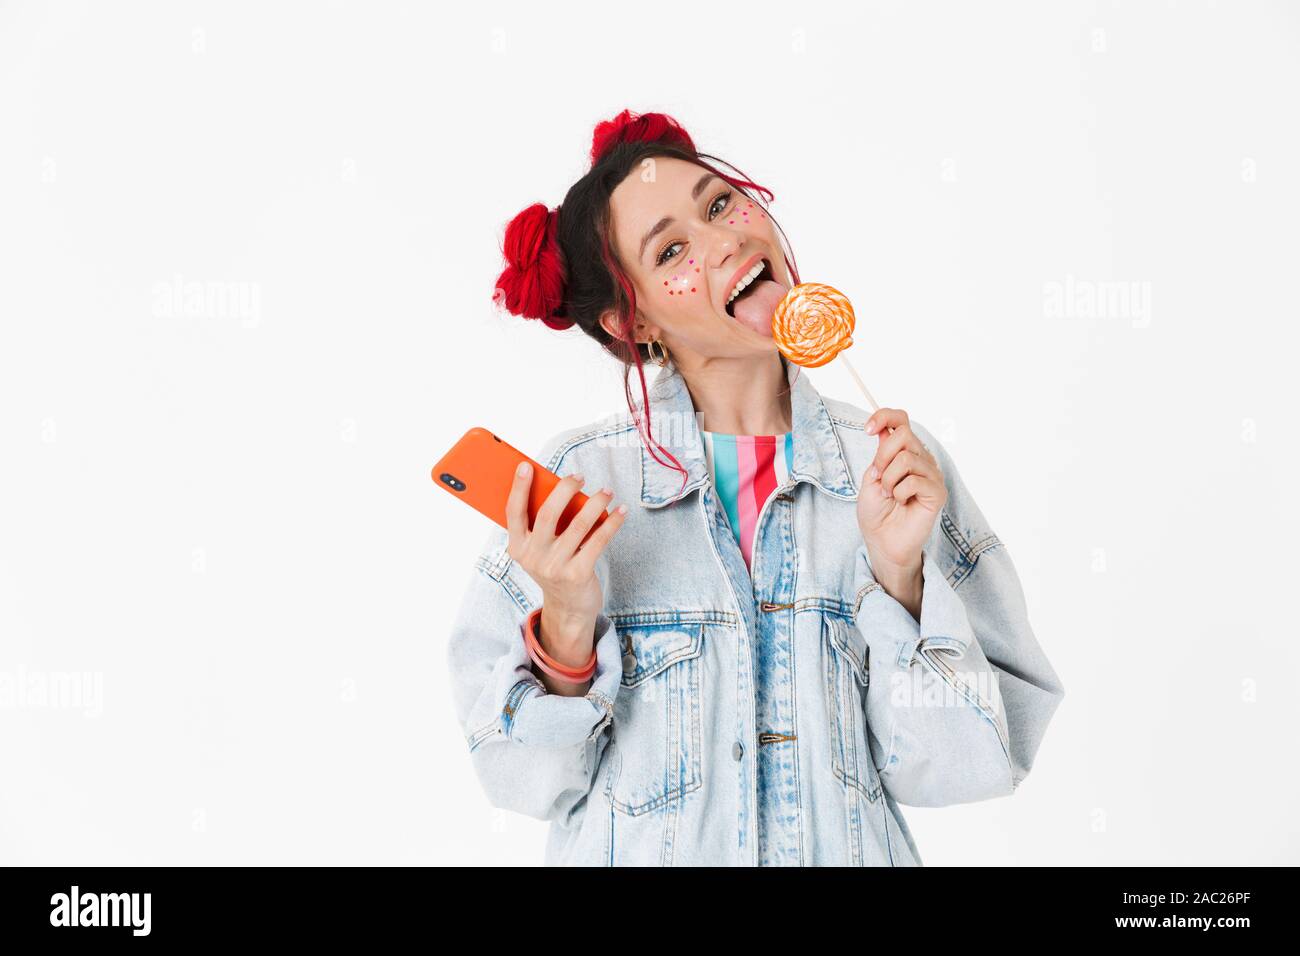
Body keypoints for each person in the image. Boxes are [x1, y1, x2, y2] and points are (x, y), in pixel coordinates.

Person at [445, 109, 1065, 866]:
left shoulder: (892, 468)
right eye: (672, 248)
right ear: (633, 322)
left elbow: (968, 765)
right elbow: (522, 782)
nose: (726, 240)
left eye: (718, 205)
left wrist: (901, 582)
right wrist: (567, 631)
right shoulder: (582, 483)